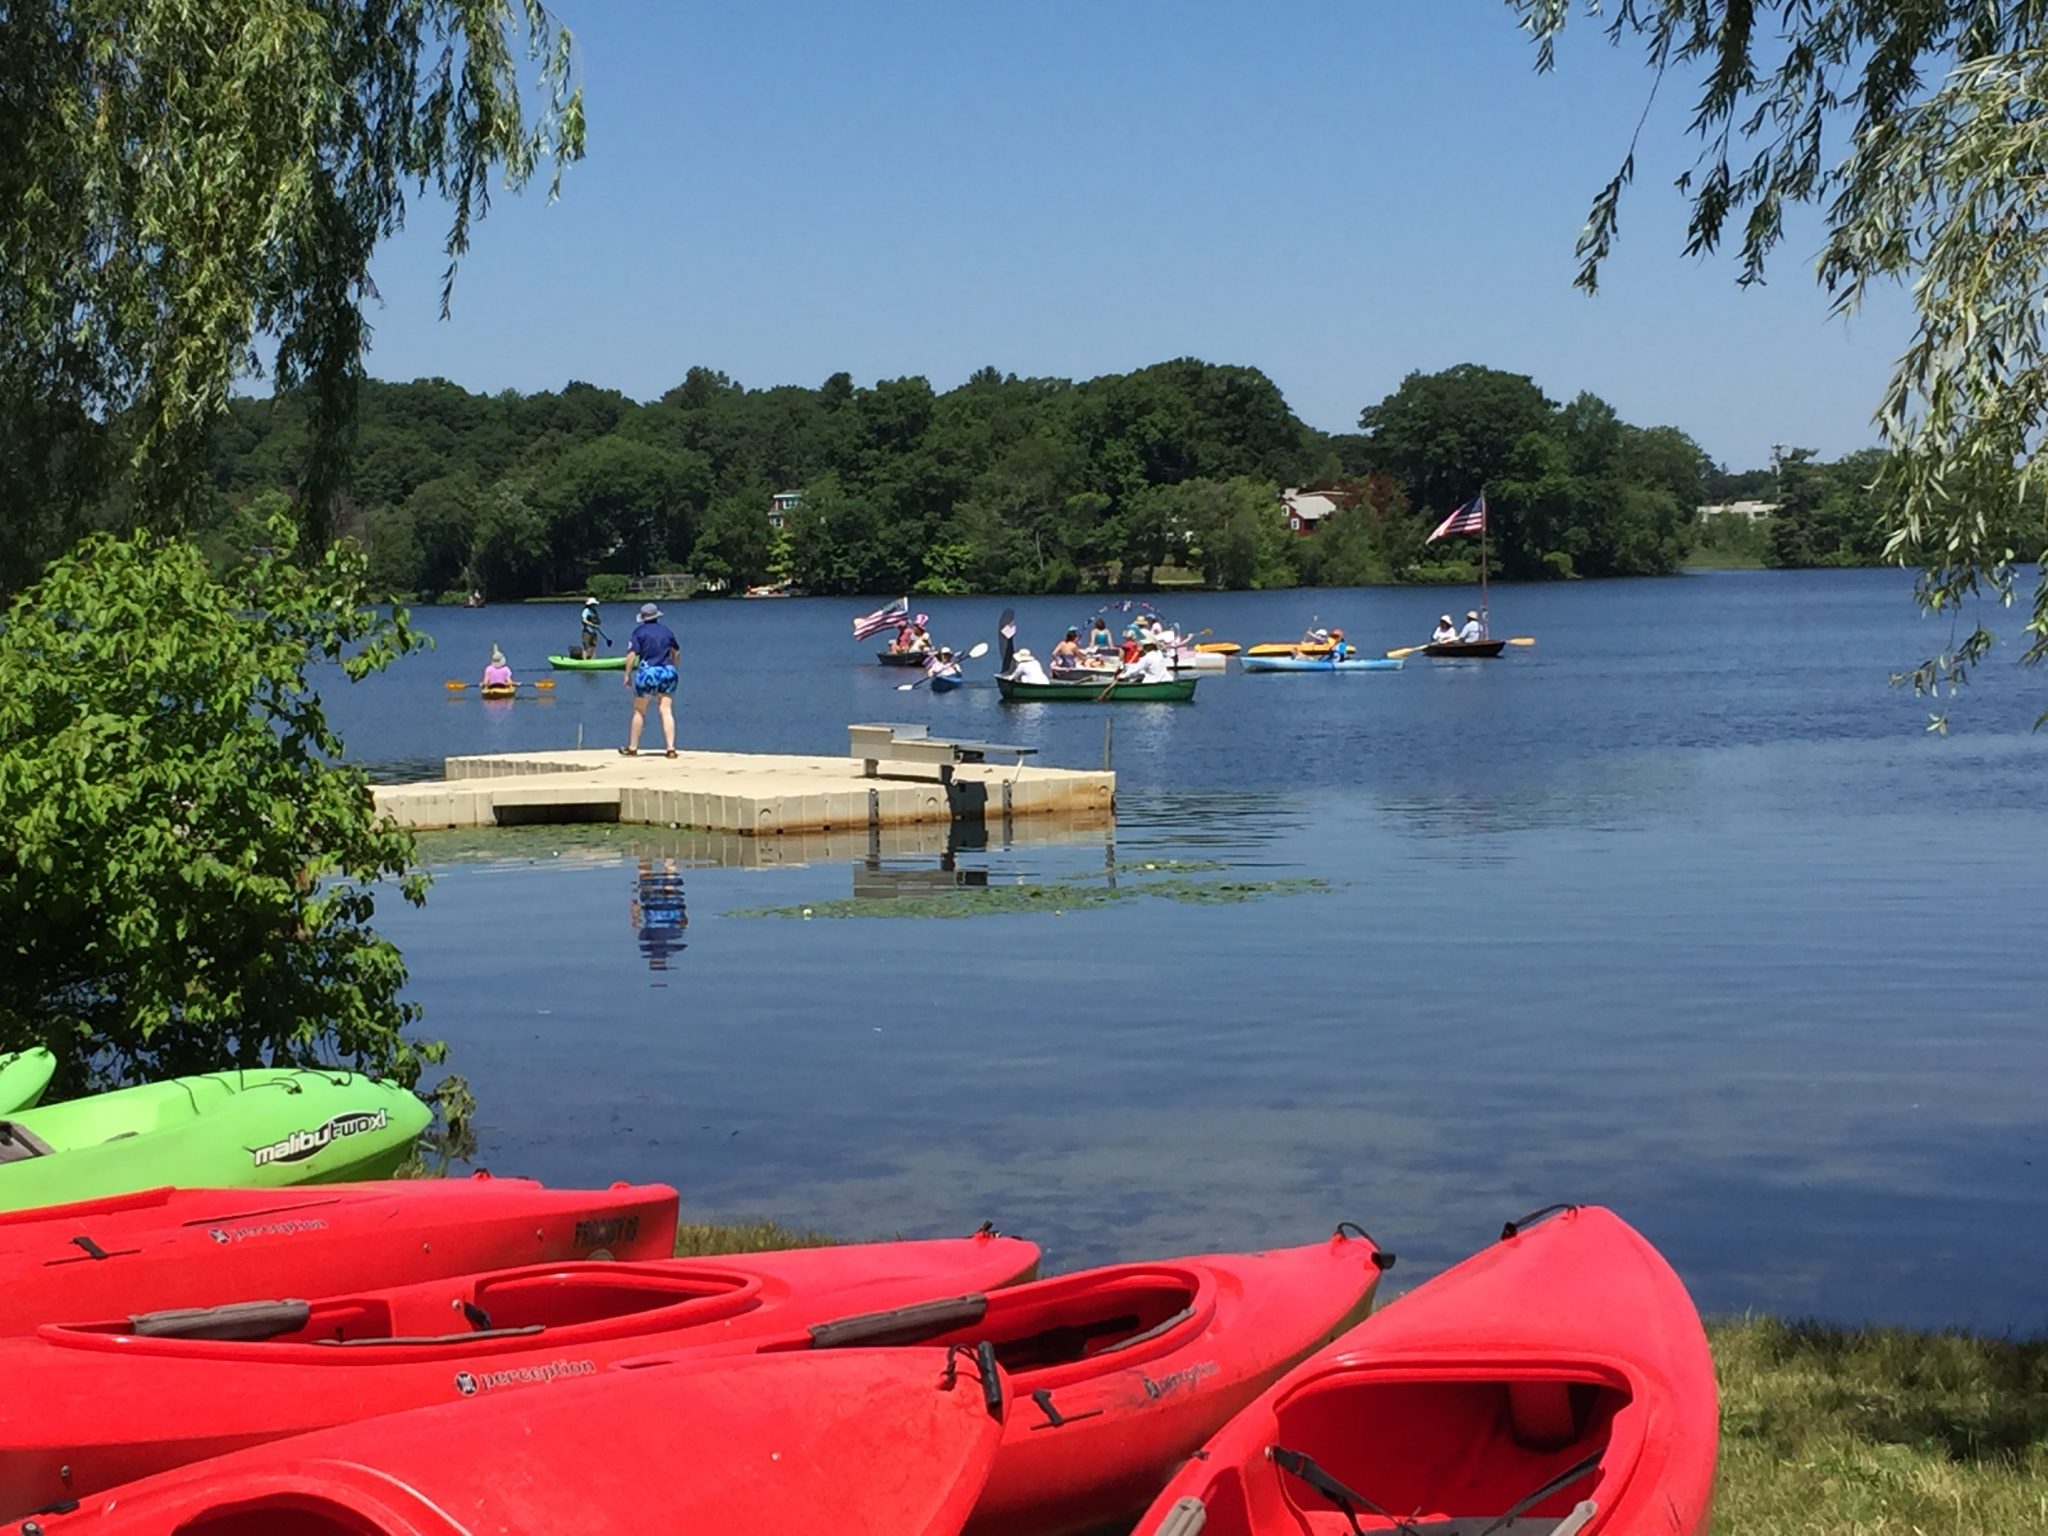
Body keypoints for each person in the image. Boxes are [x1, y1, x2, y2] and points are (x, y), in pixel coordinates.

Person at [622, 601, 680, 757]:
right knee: (666, 709)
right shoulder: (667, 631)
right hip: (667, 671)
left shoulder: (639, 633)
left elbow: (632, 654)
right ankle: (671, 748)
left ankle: (633, 747)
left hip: (648, 671)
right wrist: (673, 667)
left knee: (639, 710)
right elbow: (675, 651)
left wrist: (627, 674)